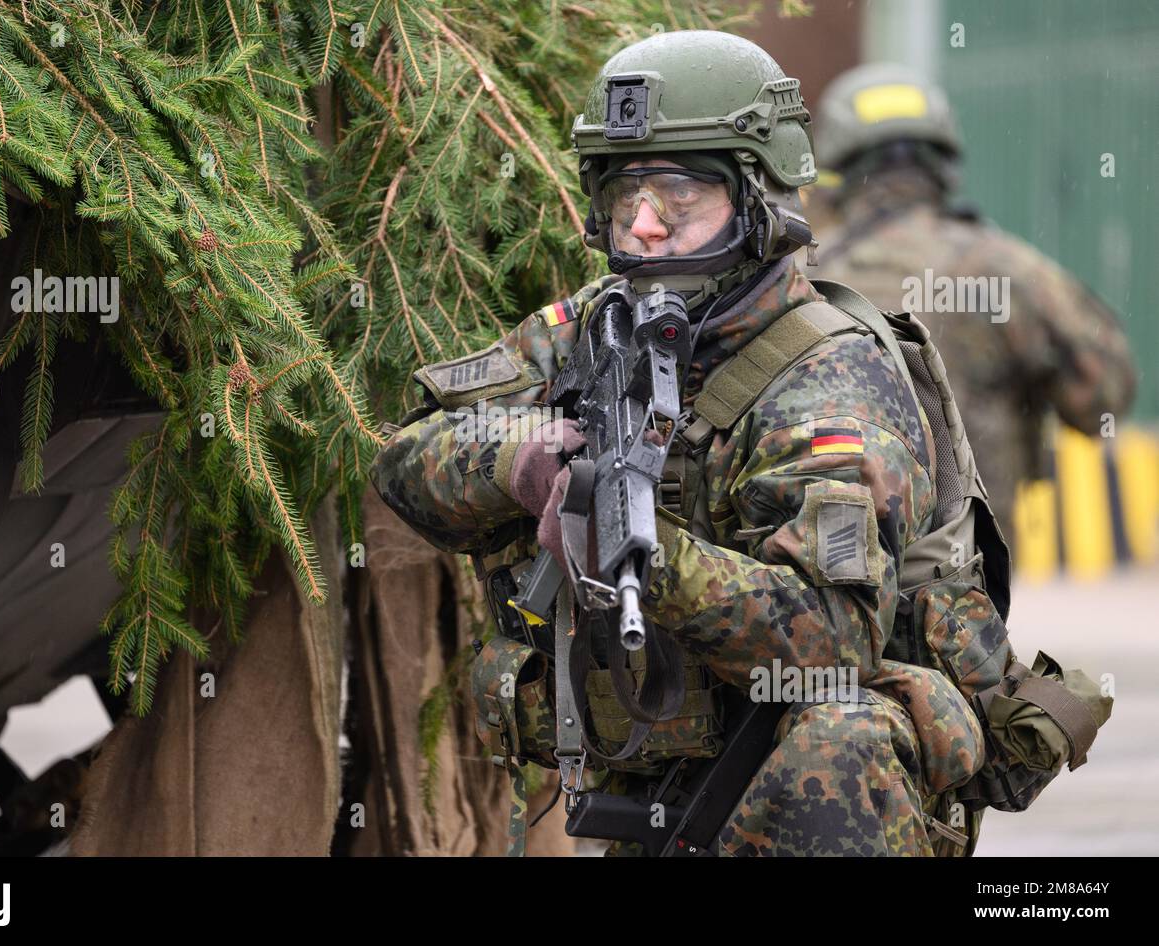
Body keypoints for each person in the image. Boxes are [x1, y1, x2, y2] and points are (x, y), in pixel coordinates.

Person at [369, 30, 983, 856]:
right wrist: (520, 461)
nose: (646, 227)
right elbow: (404, 458)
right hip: (635, 781)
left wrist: (647, 559)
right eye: (627, 197)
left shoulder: (830, 379)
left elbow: (829, 640)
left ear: (758, 196)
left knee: (846, 732)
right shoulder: (594, 323)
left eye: (680, 197)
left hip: (795, 785)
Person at [809, 62, 1136, 549]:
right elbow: (1102, 396)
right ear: (943, 164)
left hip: (821, 566)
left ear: (837, 167)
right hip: (967, 577)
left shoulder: (800, 272)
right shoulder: (1005, 268)